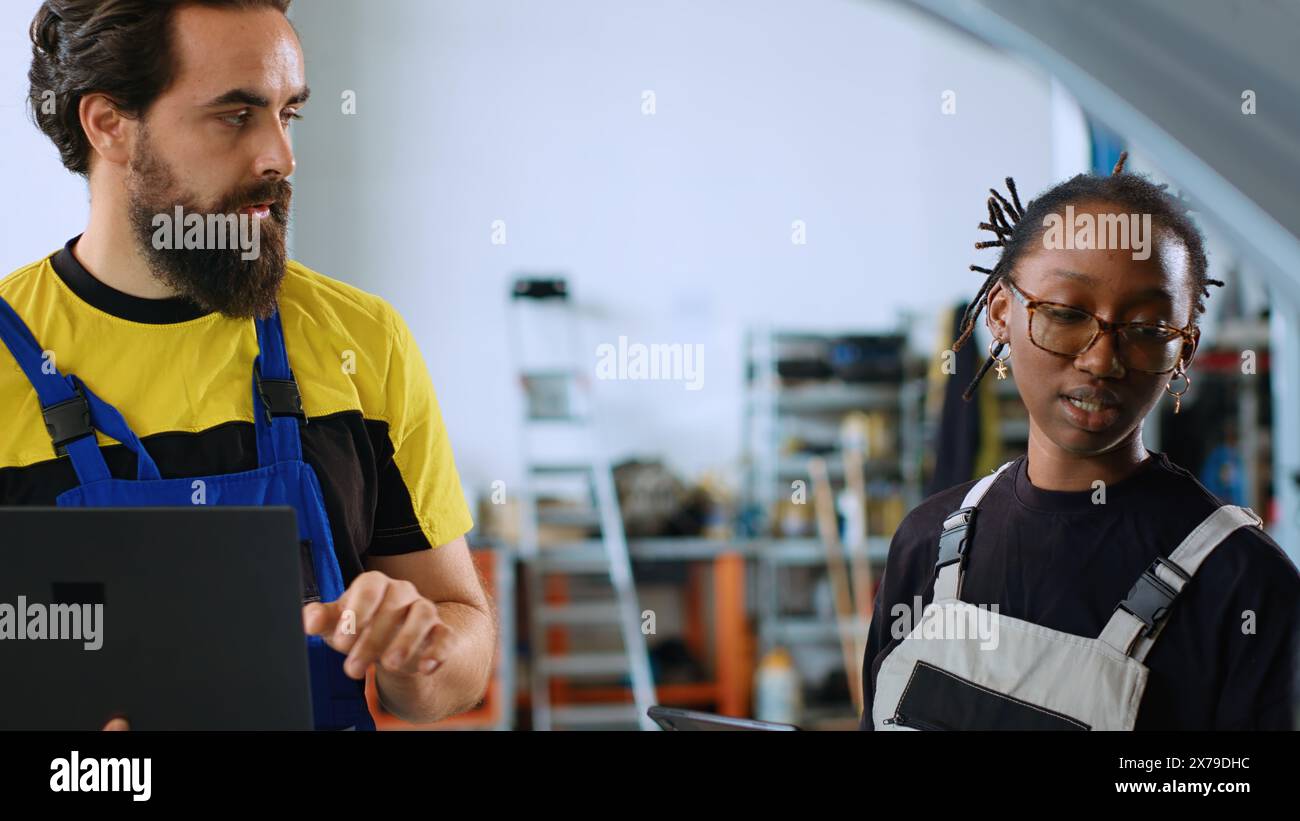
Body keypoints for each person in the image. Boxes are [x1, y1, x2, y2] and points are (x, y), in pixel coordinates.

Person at [1, 0, 494, 730]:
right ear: (108, 124)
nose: (281, 157)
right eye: (236, 115)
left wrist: (418, 650)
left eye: (288, 114)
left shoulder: (363, 339)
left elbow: (465, 643)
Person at [860, 155, 1300, 730]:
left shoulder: (1243, 583)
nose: (1100, 359)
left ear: (1184, 351)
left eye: (1146, 331)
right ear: (1000, 313)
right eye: (1066, 314)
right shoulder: (927, 541)